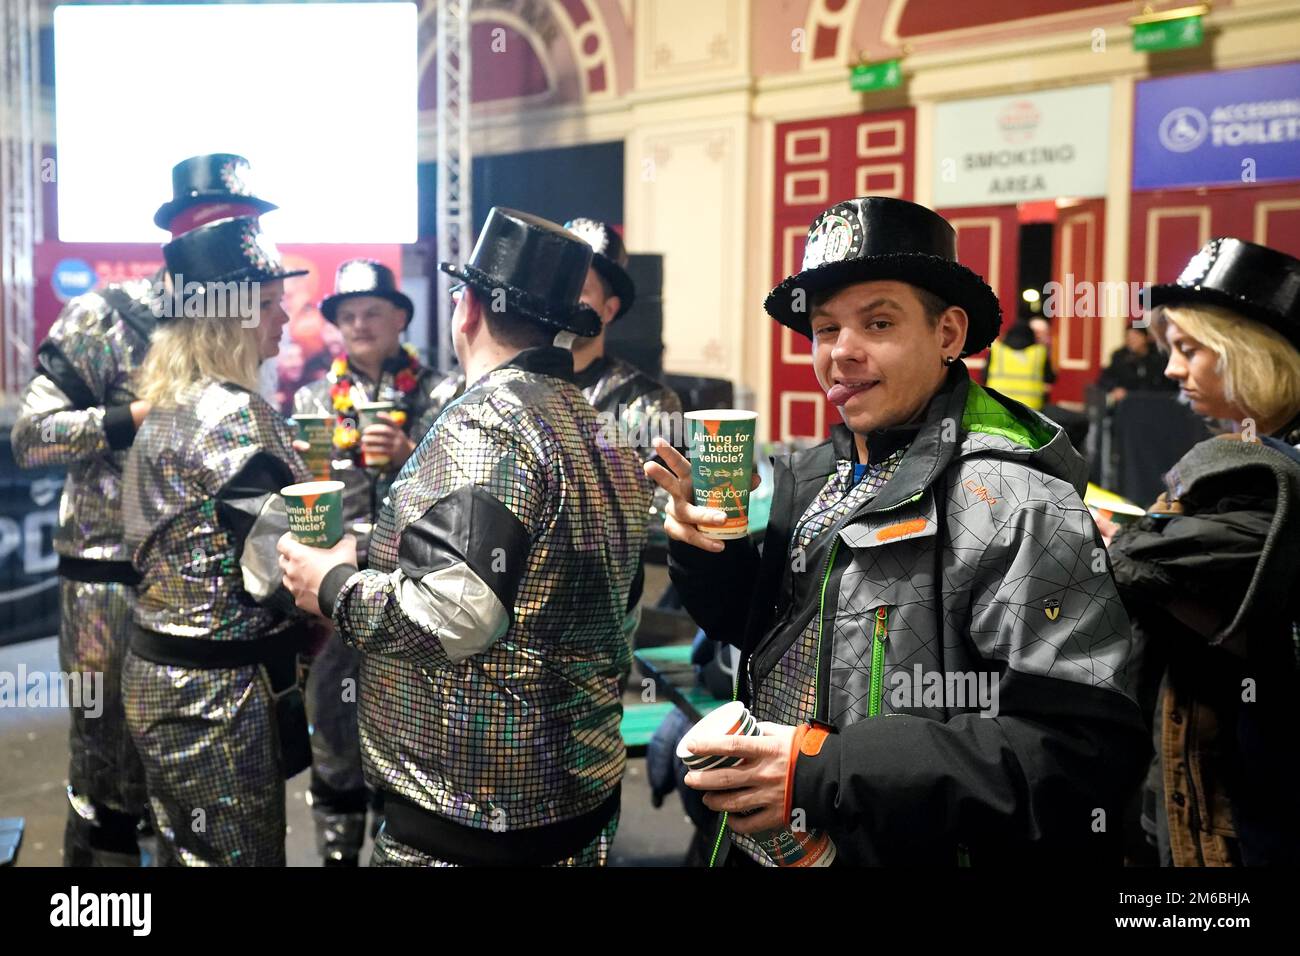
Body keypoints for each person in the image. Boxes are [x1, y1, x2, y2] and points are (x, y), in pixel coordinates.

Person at [652, 196, 1148, 866]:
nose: (840, 353)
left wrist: (827, 771)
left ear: (947, 334)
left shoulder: (1017, 500)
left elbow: (1077, 756)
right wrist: (705, 554)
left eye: (877, 322)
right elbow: (772, 632)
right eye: (825, 330)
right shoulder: (821, 470)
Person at [278, 208, 650, 867]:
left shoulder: (487, 423)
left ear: (468, 308)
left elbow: (456, 615)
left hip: (471, 816)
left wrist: (330, 585)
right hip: (575, 801)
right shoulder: (602, 433)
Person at [9, 153, 276, 866]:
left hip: (206, 602)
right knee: (107, 782)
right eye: (224, 225)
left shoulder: (240, 315)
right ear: (179, 231)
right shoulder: (103, 315)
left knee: (198, 798)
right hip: (108, 582)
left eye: (247, 226)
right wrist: (134, 418)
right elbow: (30, 438)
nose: (239, 239)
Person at [121, 216, 313, 867]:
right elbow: (278, 573)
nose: (283, 318)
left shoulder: (167, 405)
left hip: (156, 679)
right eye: (265, 304)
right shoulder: (237, 417)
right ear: (221, 320)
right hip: (217, 699)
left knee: (186, 852)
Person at [1103, 238, 1300, 866]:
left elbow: (1151, 570)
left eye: (1189, 349)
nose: (1170, 369)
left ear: (1253, 356)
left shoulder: (1266, 474)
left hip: (1248, 814)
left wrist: (1112, 539)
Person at [291, 259, 443, 866]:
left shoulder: (441, 393)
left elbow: (464, 495)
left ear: (400, 317)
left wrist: (411, 451)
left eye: (372, 313)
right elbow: (289, 496)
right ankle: (335, 859)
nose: (359, 325)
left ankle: (398, 848)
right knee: (331, 726)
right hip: (334, 587)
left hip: (416, 584)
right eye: (347, 315)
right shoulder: (311, 398)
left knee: (412, 733)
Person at [984, 314, 1051, 410]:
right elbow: (1049, 378)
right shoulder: (1039, 352)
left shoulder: (997, 350)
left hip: (999, 405)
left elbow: (984, 376)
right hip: (1030, 409)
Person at [1098, 325, 1176, 403]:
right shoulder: (1119, 357)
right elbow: (1105, 379)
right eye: (1128, 337)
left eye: (1135, 337)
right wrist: (1114, 389)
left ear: (1145, 337)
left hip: (1156, 402)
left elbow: (1169, 384)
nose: (1131, 341)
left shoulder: (1160, 357)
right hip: (1128, 403)